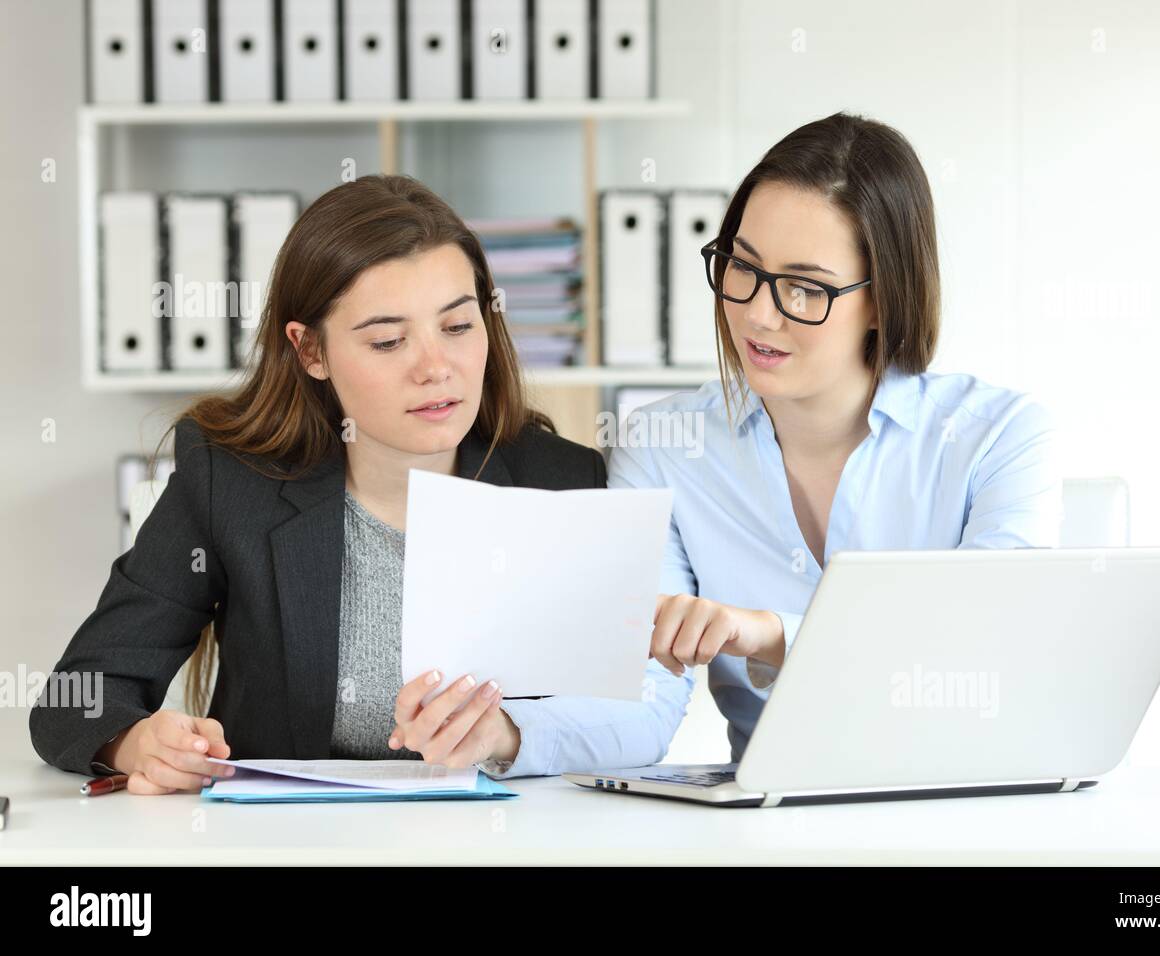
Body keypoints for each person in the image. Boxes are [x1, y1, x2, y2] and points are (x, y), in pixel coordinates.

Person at [30, 174, 691, 793]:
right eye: (387, 342)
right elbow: (81, 694)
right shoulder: (233, 478)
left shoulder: (563, 480)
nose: (437, 368)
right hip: (294, 850)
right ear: (310, 351)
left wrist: (509, 739)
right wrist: (135, 742)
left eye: (459, 326)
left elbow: (627, 718)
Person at [610, 112, 1062, 760]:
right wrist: (511, 738)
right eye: (742, 266)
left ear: (883, 299)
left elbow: (981, 658)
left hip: (965, 808)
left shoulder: (999, 438)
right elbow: (642, 705)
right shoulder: (663, 447)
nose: (758, 315)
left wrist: (770, 635)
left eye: (804, 288)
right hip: (768, 829)